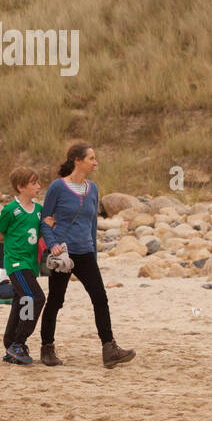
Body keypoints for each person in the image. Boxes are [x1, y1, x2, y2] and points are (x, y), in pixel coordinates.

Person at [39, 142, 135, 369]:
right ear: (77, 161)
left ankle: (109, 349)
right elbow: (45, 220)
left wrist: (94, 251)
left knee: (100, 298)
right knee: (56, 301)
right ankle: (47, 348)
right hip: (62, 254)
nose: (95, 162)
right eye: (91, 158)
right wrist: (52, 245)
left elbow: (92, 223)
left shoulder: (93, 188)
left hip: (85, 253)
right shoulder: (57, 187)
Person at [0, 167, 45, 366]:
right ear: (21, 187)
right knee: (35, 298)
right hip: (16, 263)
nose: (38, 186)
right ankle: (19, 342)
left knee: (21, 301)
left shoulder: (39, 210)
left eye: (38, 182)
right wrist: (15, 243)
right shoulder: (10, 210)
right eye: (34, 183)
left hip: (31, 264)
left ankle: (10, 344)